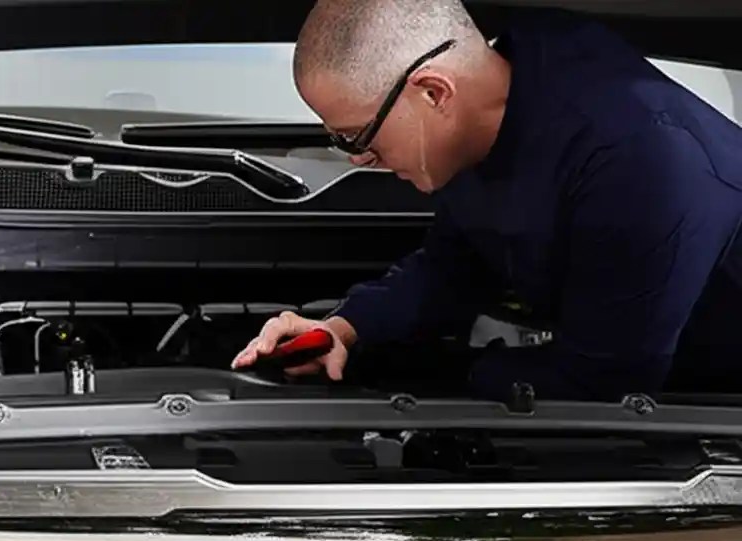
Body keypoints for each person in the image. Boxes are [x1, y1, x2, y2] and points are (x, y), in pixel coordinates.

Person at [231, 0, 742, 403]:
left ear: (433, 92)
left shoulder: (636, 156)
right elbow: (457, 265)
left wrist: (434, 379)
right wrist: (342, 329)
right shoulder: (480, 118)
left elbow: (605, 383)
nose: (357, 159)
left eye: (355, 136)